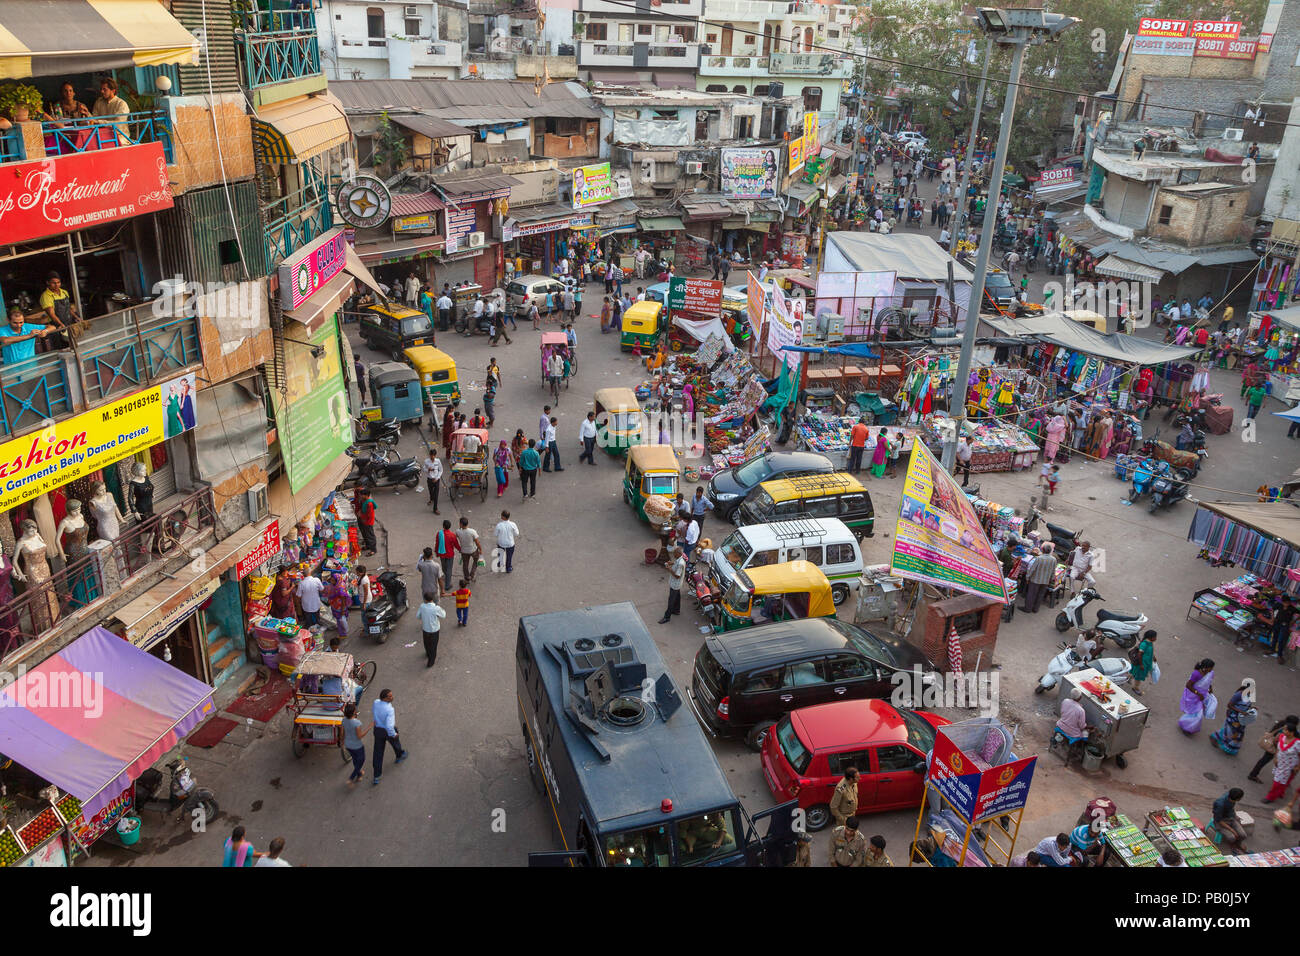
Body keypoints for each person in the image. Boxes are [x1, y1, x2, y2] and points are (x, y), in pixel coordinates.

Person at [1210, 679, 1256, 756]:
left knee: (1238, 733)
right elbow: (1229, 705)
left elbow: (1248, 705)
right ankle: (1216, 738)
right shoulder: (1238, 695)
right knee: (1229, 732)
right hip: (1234, 717)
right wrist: (1240, 711)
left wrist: (1252, 709)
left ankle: (1230, 748)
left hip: (1242, 719)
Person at [370, 689, 407, 784]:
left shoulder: (376, 702)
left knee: (378, 753)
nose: (392, 697)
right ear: (385, 698)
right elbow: (389, 726)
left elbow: (374, 710)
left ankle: (377, 776)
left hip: (377, 730)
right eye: (390, 696)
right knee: (395, 743)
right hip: (387, 731)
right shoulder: (389, 709)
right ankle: (399, 755)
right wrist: (393, 734)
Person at [1249, 715, 1300, 782]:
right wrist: (1279, 748)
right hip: (1274, 748)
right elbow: (1276, 740)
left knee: (1263, 760)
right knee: (1264, 761)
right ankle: (1253, 774)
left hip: (1273, 745)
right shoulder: (1285, 730)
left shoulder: (1281, 724)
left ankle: (1253, 774)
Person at [1178, 658, 1216, 735]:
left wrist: (1210, 688)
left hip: (1202, 696)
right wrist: (1198, 693)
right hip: (1193, 696)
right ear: (1206, 667)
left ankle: (1188, 726)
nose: (1212, 669)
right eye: (1211, 667)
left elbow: (1209, 682)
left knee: (1198, 714)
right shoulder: (1197, 674)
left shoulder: (1210, 673)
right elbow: (1188, 685)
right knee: (1195, 714)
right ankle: (1186, 726)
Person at [1264, 723, 1300, 803]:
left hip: (1290, 766)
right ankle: (1280, 792)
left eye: (1285, 730)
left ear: (1291, 732)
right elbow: (1278, 749)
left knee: (1278, 782)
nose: (1283, 731)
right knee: (1281, 780)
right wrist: (1276, 758)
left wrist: (1297, 767)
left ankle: (1270, 797)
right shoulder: (1282, 737)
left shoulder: (1298, 743)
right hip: (1280, 763)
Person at [1211, 788, 1249, 853]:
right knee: (1232, 837)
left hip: (1231, 818)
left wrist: (1235, 815)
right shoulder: (1220, 804)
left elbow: (1232, 808)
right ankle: (1232, 845)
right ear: (1238, 799)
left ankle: (1238, 844)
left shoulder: (1231, 797)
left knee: (1243, 835)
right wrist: (1232, 830)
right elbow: (1219, 820)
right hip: (1220, 822)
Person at [1023, 543, 1057, 613]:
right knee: (1040, 595)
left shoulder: (1039, 558)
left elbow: (1032, 569)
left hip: (1035, 580)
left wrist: (1027, 577)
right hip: (1045, 581)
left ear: (1043, 550)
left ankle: (1028, 608)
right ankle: (1035, 609)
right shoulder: (1053, 559)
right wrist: (1051, 579)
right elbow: (1053, 571)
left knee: (1031, 594)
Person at [658, 546, 687, 624]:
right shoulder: (680, 559)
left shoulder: (680, 563)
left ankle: (667, 617)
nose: (673, 555)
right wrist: (672, 563)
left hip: (675, 584)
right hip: (677, 584)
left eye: (674, 553)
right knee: (677, 597)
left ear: (678, 554)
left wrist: (669, 569)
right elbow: (677, 563)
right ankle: (677, 610)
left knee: (671, 600)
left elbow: (677, 576)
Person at [342, 702, 369, 784]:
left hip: (348, 745)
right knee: (361, 760)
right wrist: (369, 727)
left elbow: (342, 734)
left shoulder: (344, 720)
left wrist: (342, 742)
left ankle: (359, 774)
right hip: (357, 746)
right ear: (354, 712)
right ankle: (351, 778)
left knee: (355, 759)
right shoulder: (357, 723)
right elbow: (360, 736)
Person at [1129, 630, 1156, 696]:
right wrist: (1141, 665)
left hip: (1146, 663)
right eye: (1155, 637)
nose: (1155, 638)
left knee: (1135, 672)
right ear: (1150, 637)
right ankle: (1135, 688)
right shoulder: (1144, 644)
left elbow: (1151, 651)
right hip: (1141, 663)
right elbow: (1139, 655)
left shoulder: (1150, 642)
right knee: (1139, 676)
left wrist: (1153, 657)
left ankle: (1128, 679)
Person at [456, 516, 481, 582]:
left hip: (464, 551)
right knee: (476, 561)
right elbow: (477, 542)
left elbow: (457, 537)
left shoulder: (458, 531)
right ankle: (472, 575)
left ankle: (467, 577)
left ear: (461, 524)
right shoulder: (472, 531)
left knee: (465, 564)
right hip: (473, 550)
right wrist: (480, 549)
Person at [435, 518, 459, 584]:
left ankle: (446, 577)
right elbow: (456, 544)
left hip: (442, 554)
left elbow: (437, 544)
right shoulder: (452, 535)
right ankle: (448, 584)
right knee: (449, 568)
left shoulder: (439, 533)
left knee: (444, 567)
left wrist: (437, 552)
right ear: (449, 527)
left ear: (443, 526)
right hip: (450, 554)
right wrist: (460, 550)